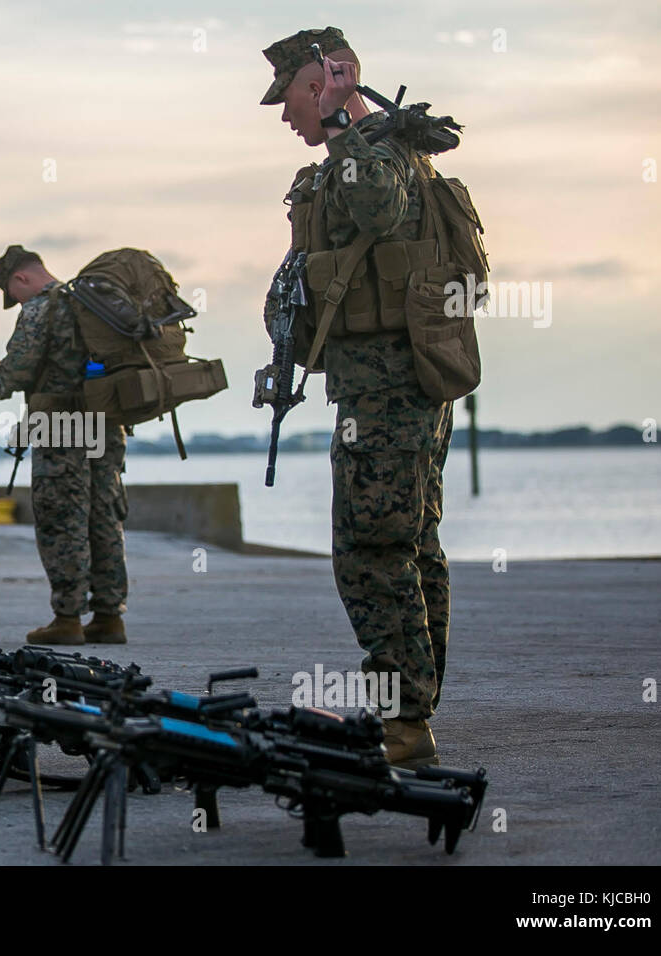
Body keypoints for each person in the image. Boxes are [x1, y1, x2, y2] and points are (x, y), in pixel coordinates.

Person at [262, 27, 455, 767]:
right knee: (407, 546)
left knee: (372, 551)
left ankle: (404, 719)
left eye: (290, 99)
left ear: (322, 85)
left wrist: (344, 123)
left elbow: (375, 210)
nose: (286, 117)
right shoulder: (371, 152)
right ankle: (414, 706)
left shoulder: (375, 152)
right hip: (388, 387)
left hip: (391, 392)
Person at [0, 245, 128, 646]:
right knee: (104, 516)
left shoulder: (40, 309)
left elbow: (19, 367)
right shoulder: (90, 303)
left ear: (21, 279)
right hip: (104, 425)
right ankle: (109, 616)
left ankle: (67, 617)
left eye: (14, 295)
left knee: (62, 518)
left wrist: (4, 375)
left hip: (60, 427)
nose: (18, 302)